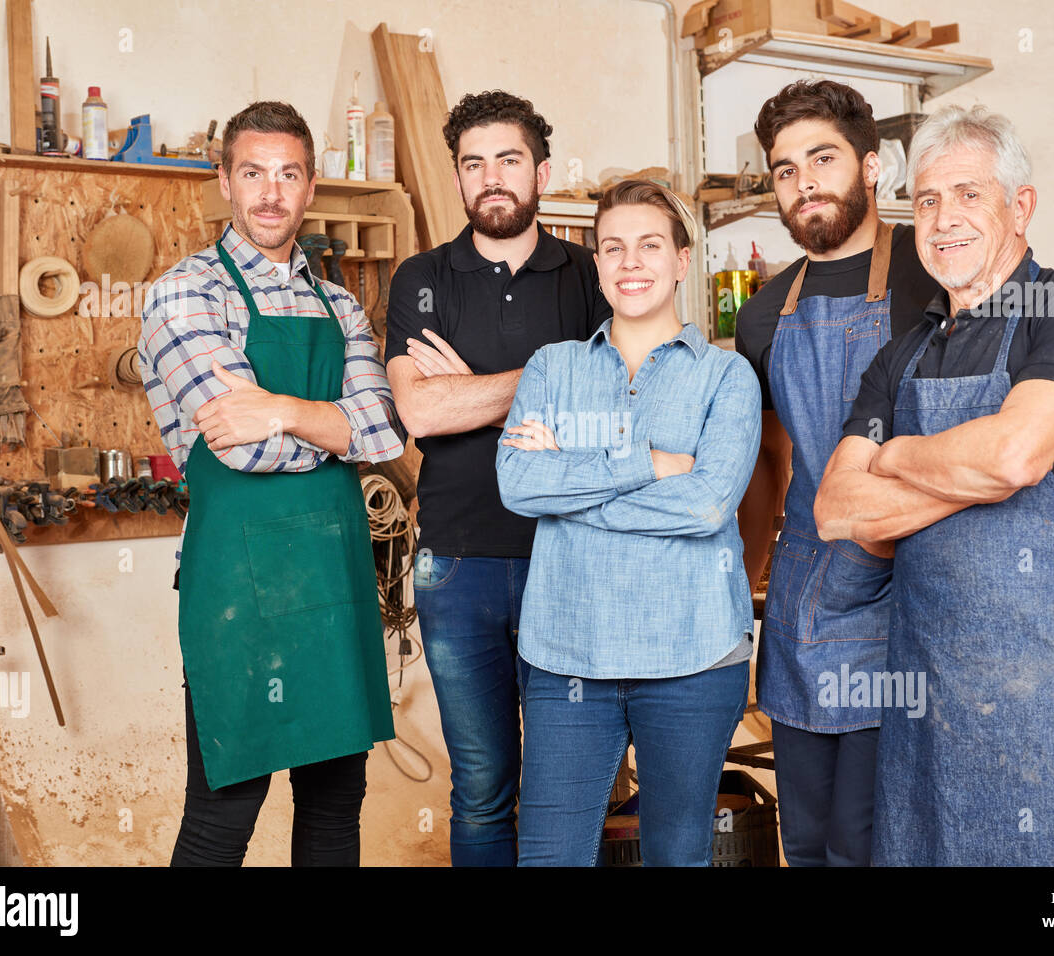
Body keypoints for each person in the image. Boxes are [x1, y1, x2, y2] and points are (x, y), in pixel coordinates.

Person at [815, 105, 1054, 865]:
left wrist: (897, 453)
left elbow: (1013, 457)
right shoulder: (899, 358)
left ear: (1021, 206)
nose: (944, 220)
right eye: (929, 201)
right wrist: (972, 470)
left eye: (970, 194)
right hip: (934, 720)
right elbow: (838, 509)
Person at [139, 101, 404, 866]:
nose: (270, 193)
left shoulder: (341, 303)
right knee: (224, 812)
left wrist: (282, 410)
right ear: (224, 179)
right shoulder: (183, 294)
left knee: (335, 804)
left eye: (288, 175)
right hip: (238, 590)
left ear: (311, 185)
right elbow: (239, 447)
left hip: (334, 578)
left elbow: (383, 430)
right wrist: (330, 429)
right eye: (252, 173)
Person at [497, 179, 761, 866]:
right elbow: (520, 484)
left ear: (681, 260)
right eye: (612, 247)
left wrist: (573, 478)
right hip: (567, 656)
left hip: (693, 655)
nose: (630, 262)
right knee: (549, 857)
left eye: (649, 245)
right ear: (596, 261)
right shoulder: (552, 369)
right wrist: (653, 461)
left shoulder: (727, 378)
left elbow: (707, 506)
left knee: (678, 854)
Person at [383, 91, 612, 866]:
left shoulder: (590, 274)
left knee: (563, 783)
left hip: (570, 560)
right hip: (457, 566)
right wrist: (548, 381)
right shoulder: (420, 277)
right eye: (473, 163)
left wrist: (471, 390)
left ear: (542, 172)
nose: (492, 178)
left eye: (508, 160)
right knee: (482, 785)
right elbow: (416, 413)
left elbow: (613, 410)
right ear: (457, 178)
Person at [734, 80, 941, 866]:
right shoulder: (763, 311)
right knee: (808, 837)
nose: (804, 182)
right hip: (801, 594)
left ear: (871, 165)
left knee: (870, 839)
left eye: (821, 159)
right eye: (785, 170)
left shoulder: (931, 280)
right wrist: (749, 576)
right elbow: (766, 458)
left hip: (902, 588)